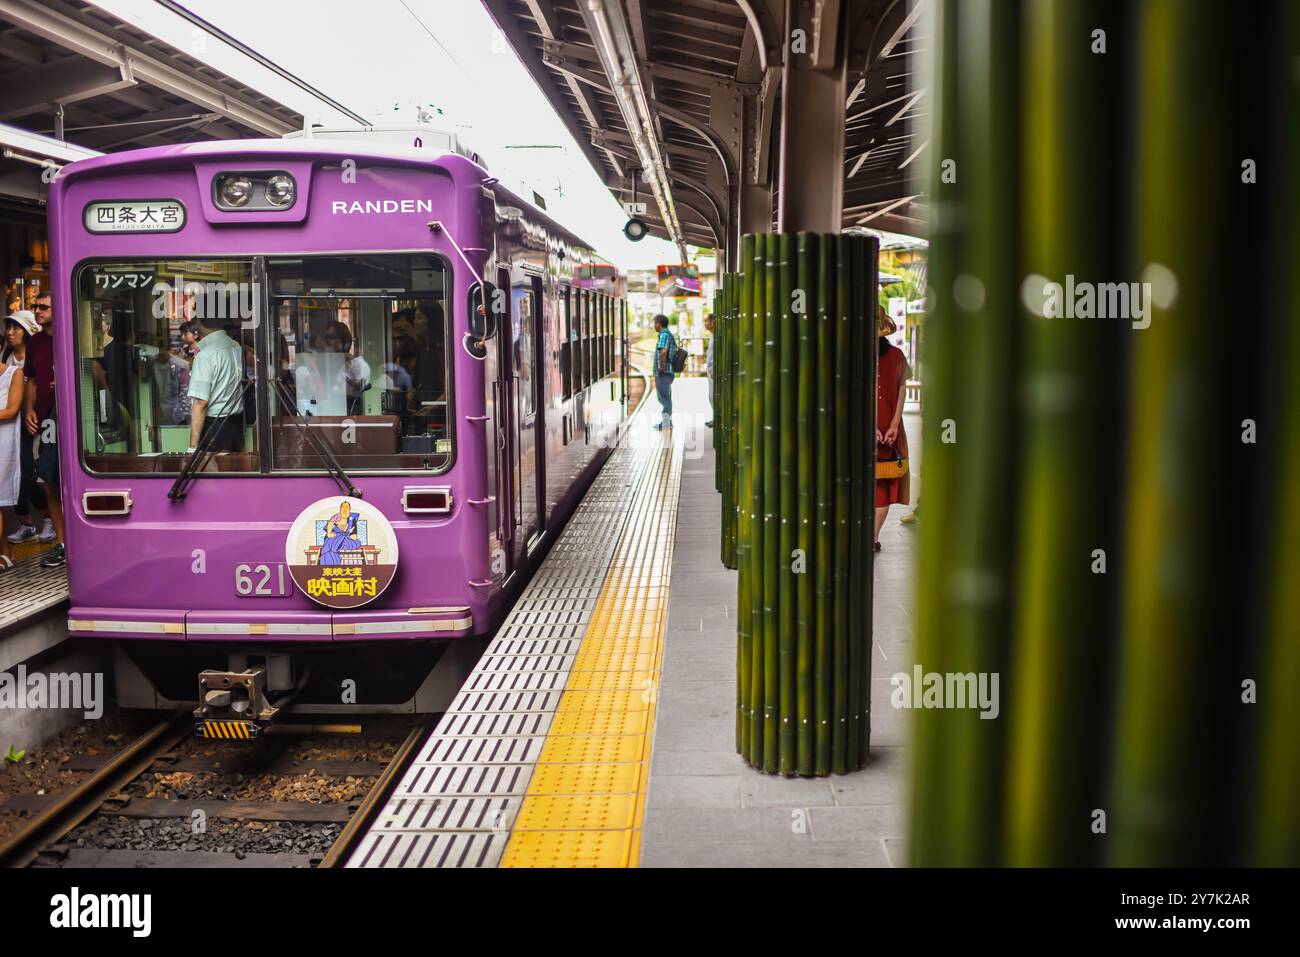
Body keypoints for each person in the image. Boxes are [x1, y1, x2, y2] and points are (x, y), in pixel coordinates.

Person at [3, 311, 53, 546]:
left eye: (16, 327)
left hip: (34, 421)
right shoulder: (6, 357)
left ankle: (48, 517)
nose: (10, 332)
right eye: (8, 327)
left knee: (33, 470)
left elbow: (34, 382)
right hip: (11, 425)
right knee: (16, 472)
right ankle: (25, 522)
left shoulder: (34, 354)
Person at [27, 293, 66, 567]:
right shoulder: (35, 341)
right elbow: (30, 378)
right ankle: (62, 543)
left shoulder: (68, 334)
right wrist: (29, 409)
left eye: (43, 307)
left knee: (69, 481)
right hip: (45, 420)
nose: (37, 311)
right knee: (48, 480)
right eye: (35, 307)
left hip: (70, 418)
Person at [875, 305, 911, 551]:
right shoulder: (897, 355)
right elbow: (901, 390)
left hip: (877, 426)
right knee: (882, 489)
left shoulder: (850, 356)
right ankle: (872, 538)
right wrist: (894, 424)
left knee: (877, 486)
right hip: (890, 427)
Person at [188, 313, 245, 454]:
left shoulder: (206, 355)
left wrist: (192, 448)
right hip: (236, 425)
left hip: (214, 427)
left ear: (202, 322)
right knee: (233, 472)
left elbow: (201, 403)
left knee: (212, 474)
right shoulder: (235, 346)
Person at [0, 312, 30, 570]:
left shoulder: (14, 373)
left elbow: (11, 410)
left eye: (15, 327)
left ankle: (6, 551)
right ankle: (6, 550)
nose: (11, 332)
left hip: (8, 439)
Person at [318, 500, 361, 566]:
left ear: (350, 509)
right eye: (343, 507)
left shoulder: (352, 518)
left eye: (347, 508)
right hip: (336, 536)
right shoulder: (336, 517)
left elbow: (354, 530)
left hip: (347, 537)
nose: (345, 509)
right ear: (340, 508)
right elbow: (330, 523)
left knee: (356, 542)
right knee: (331, 544)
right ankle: (331, 560)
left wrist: (354, 535)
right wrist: (329, 533)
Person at [653, 314, 676, 431]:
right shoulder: (667, 334)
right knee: (665, 397)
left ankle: (666, 423)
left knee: (664, 398)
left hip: (664, 372)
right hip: (667, 372)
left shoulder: (664, 335)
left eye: (655, 323)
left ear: (659, 324)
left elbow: (663, 352)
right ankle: (667, 422)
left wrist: (661, 366)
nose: (654, 325)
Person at [703, 314, 715, 428]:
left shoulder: (716, 335)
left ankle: (717, 420)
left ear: (712, 322)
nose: (705, 323)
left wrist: (713, 369)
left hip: (714, 371)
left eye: (706, 321)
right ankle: (715, 418)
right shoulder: (712, 335)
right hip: (711, 370)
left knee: (714, 396)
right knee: (711, 396)